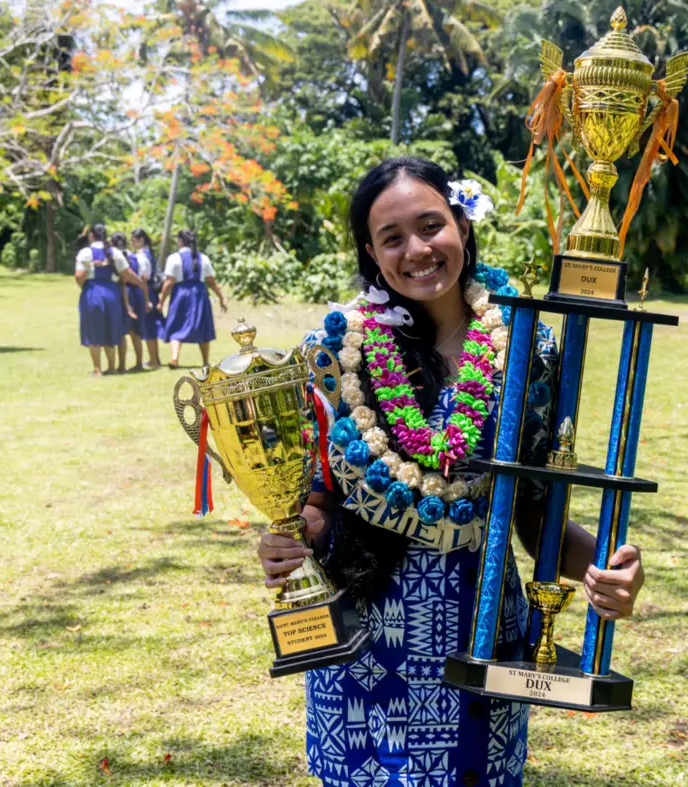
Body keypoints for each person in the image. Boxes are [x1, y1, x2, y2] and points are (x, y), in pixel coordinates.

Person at [257, 158, 647, 787]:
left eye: (431, 225)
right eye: (392, 237)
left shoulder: (528, 349)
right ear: (371, 251)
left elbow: (537, 517)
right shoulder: (330, 354)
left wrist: (609, 566)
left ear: (462, 227)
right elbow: (319, 501)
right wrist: (290, 539)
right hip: (364, 648)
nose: (417, 249)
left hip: (480, 642)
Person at [76, 223, 145, 377]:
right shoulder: (114, 252)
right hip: (112, 292)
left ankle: (97, 369)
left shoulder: (85, 253)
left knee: (93, 329)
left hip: (93, 291)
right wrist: (140, 284)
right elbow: (126, 274)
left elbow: (79, 276)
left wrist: (86, 286)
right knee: (111, 328)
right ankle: (112, 367)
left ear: (92, 236)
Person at [158, 228, 227, 369]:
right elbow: (211, 281)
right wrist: (221, 298)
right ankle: (205, 361)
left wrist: (161, 301)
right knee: (202, 325)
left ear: (180, 241)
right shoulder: (203, 258)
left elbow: (169, 282)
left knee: (176, 324)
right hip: (199, 293)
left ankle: (174, 358)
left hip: (181, 294)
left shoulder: (174, 258)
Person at [127, 228, 164, 370]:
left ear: (141, 240)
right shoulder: (149, 254)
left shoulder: (141, 256)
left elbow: (143, 278)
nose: (132, 243)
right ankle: (155, 359)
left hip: (145, 291)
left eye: (134, 241)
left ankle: (154, 360)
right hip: (150, 290)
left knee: (148, 326)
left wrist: (146, 299)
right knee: (150, 325)